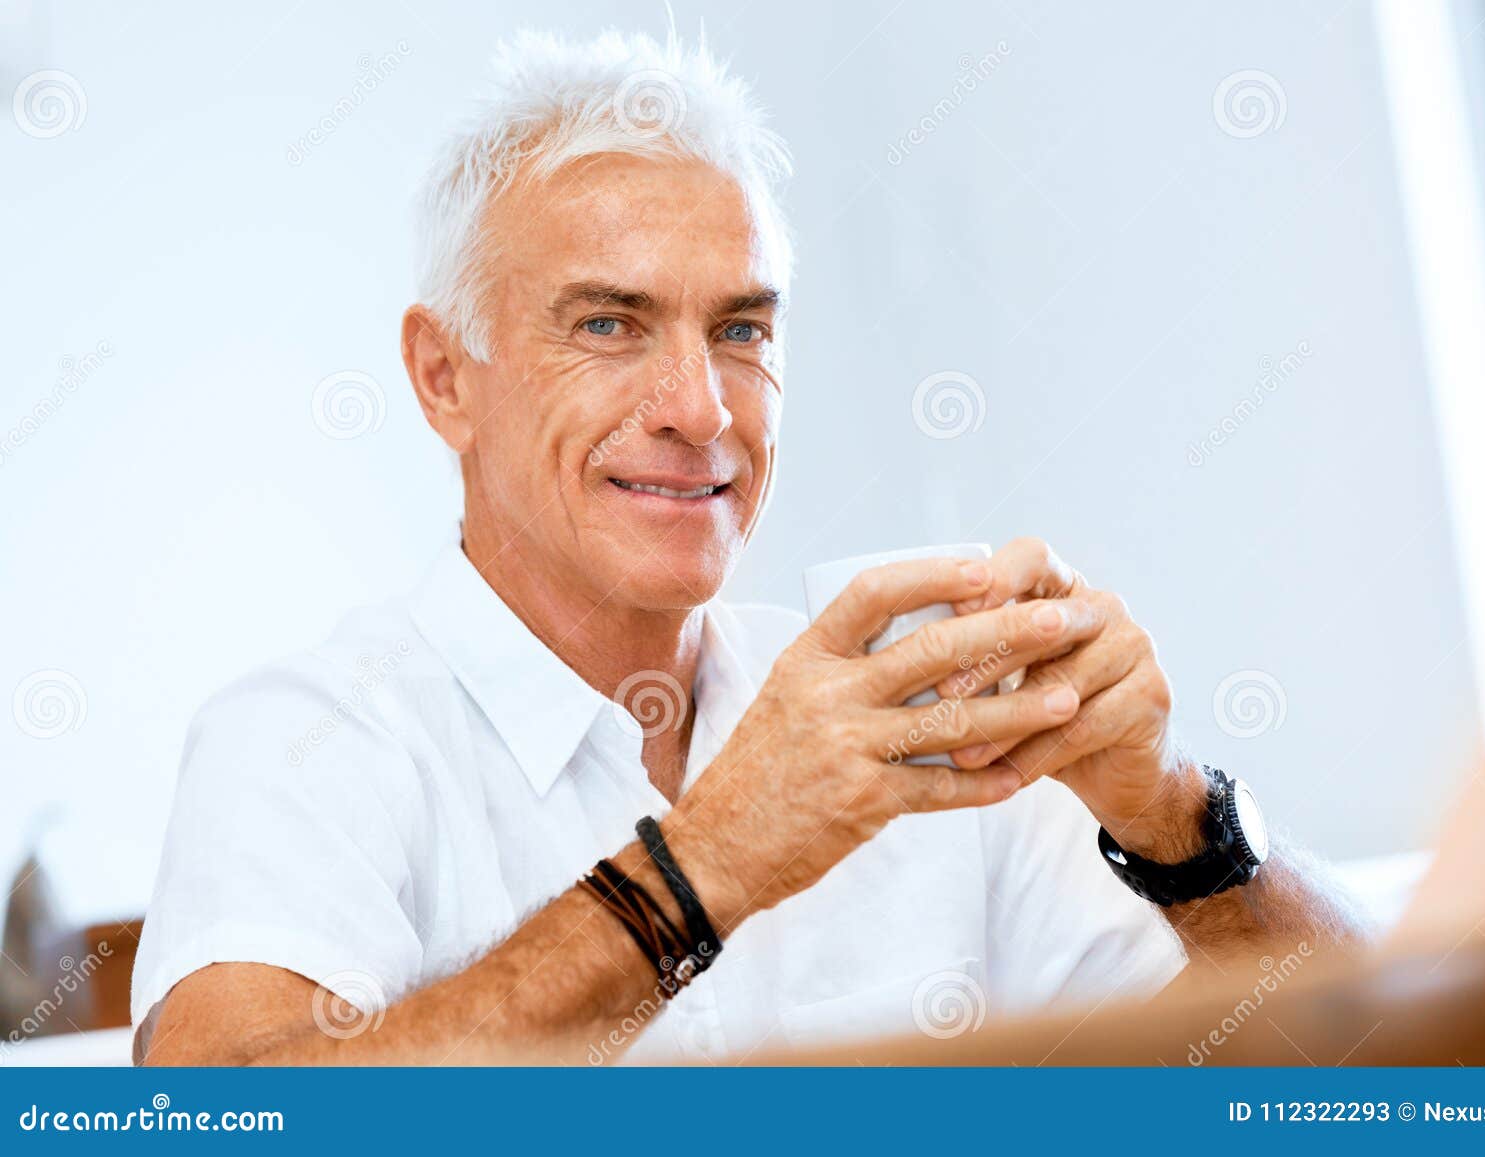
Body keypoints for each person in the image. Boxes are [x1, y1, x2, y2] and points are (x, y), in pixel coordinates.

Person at [132, 27, 1361, 1066]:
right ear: (444, 377)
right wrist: (705, 863)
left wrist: (1174, 816)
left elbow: (1405, 1082)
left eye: (739, 329)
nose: (701, 408)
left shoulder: (919, 720)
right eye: (609, 323)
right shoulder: (303, 744)